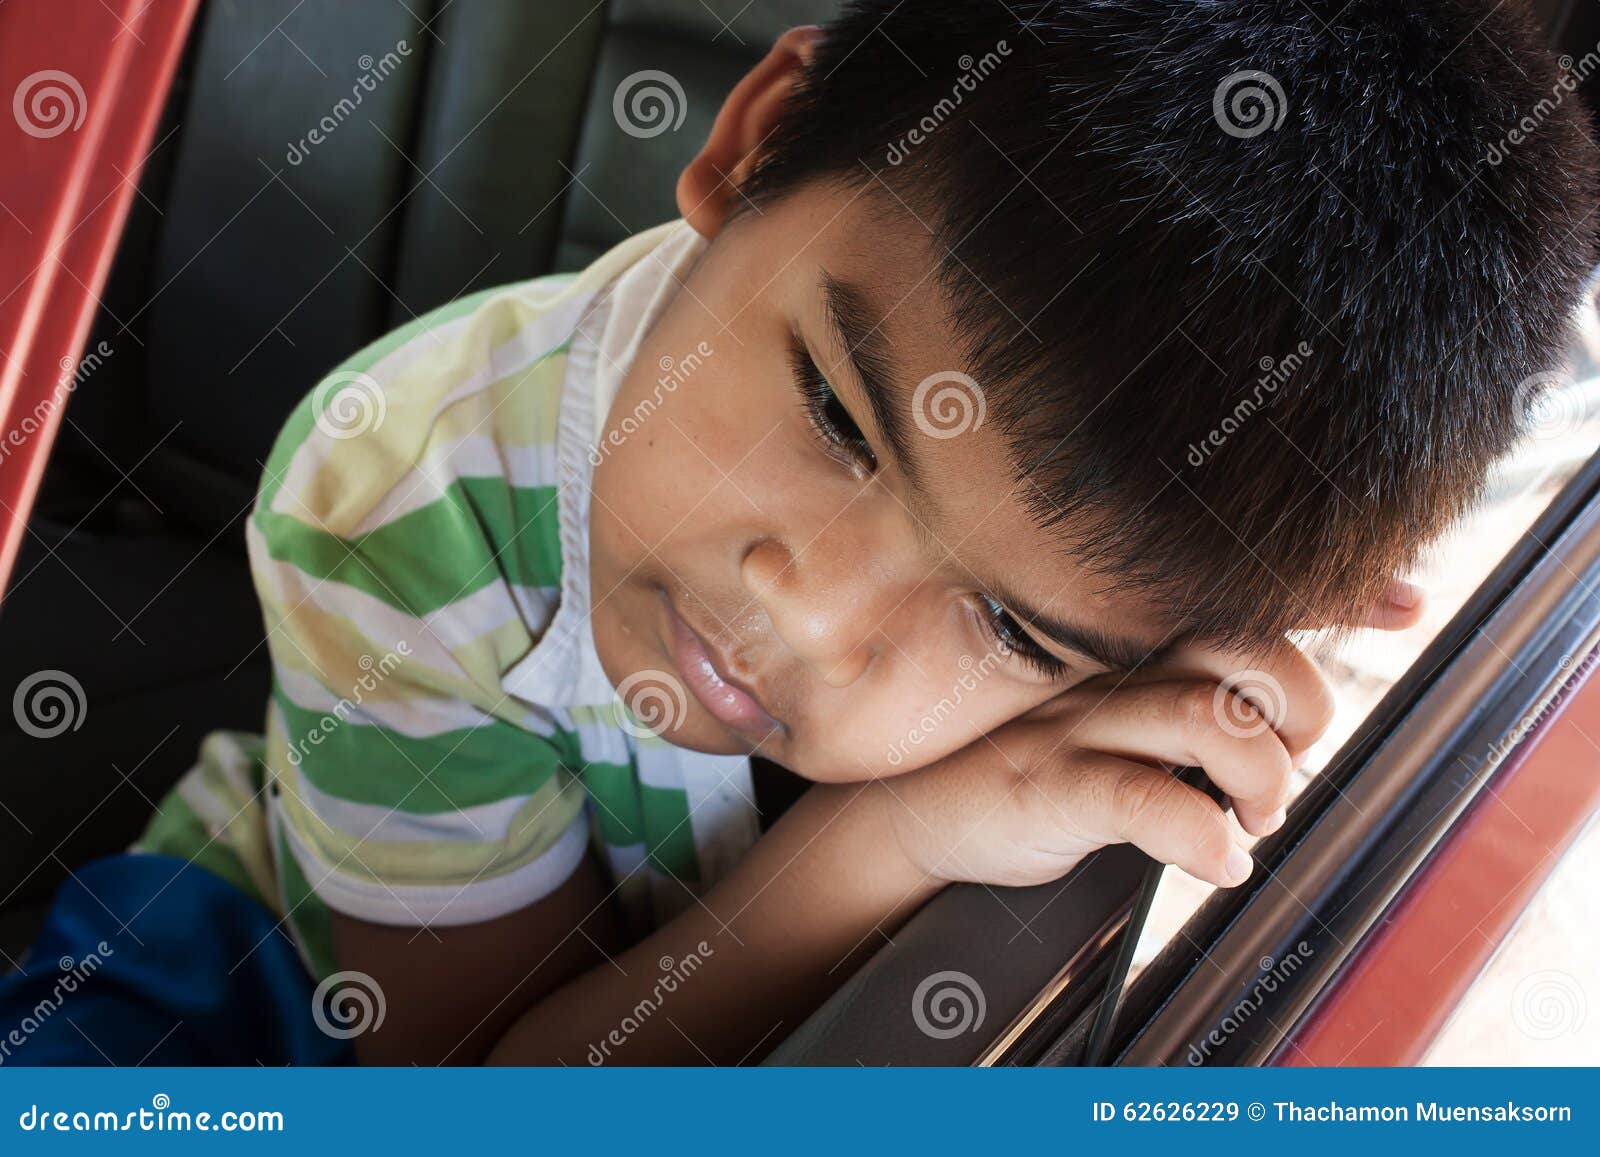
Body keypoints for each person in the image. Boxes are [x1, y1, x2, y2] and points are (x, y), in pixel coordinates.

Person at [3, 0, 1594, 1066]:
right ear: (755, 136)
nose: (812, 620)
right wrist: (884, 844)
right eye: (840, 414)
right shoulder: (400, 496)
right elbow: (474, 1091)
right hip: (250, 981)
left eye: (1017, 628)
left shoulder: (1194, 567)